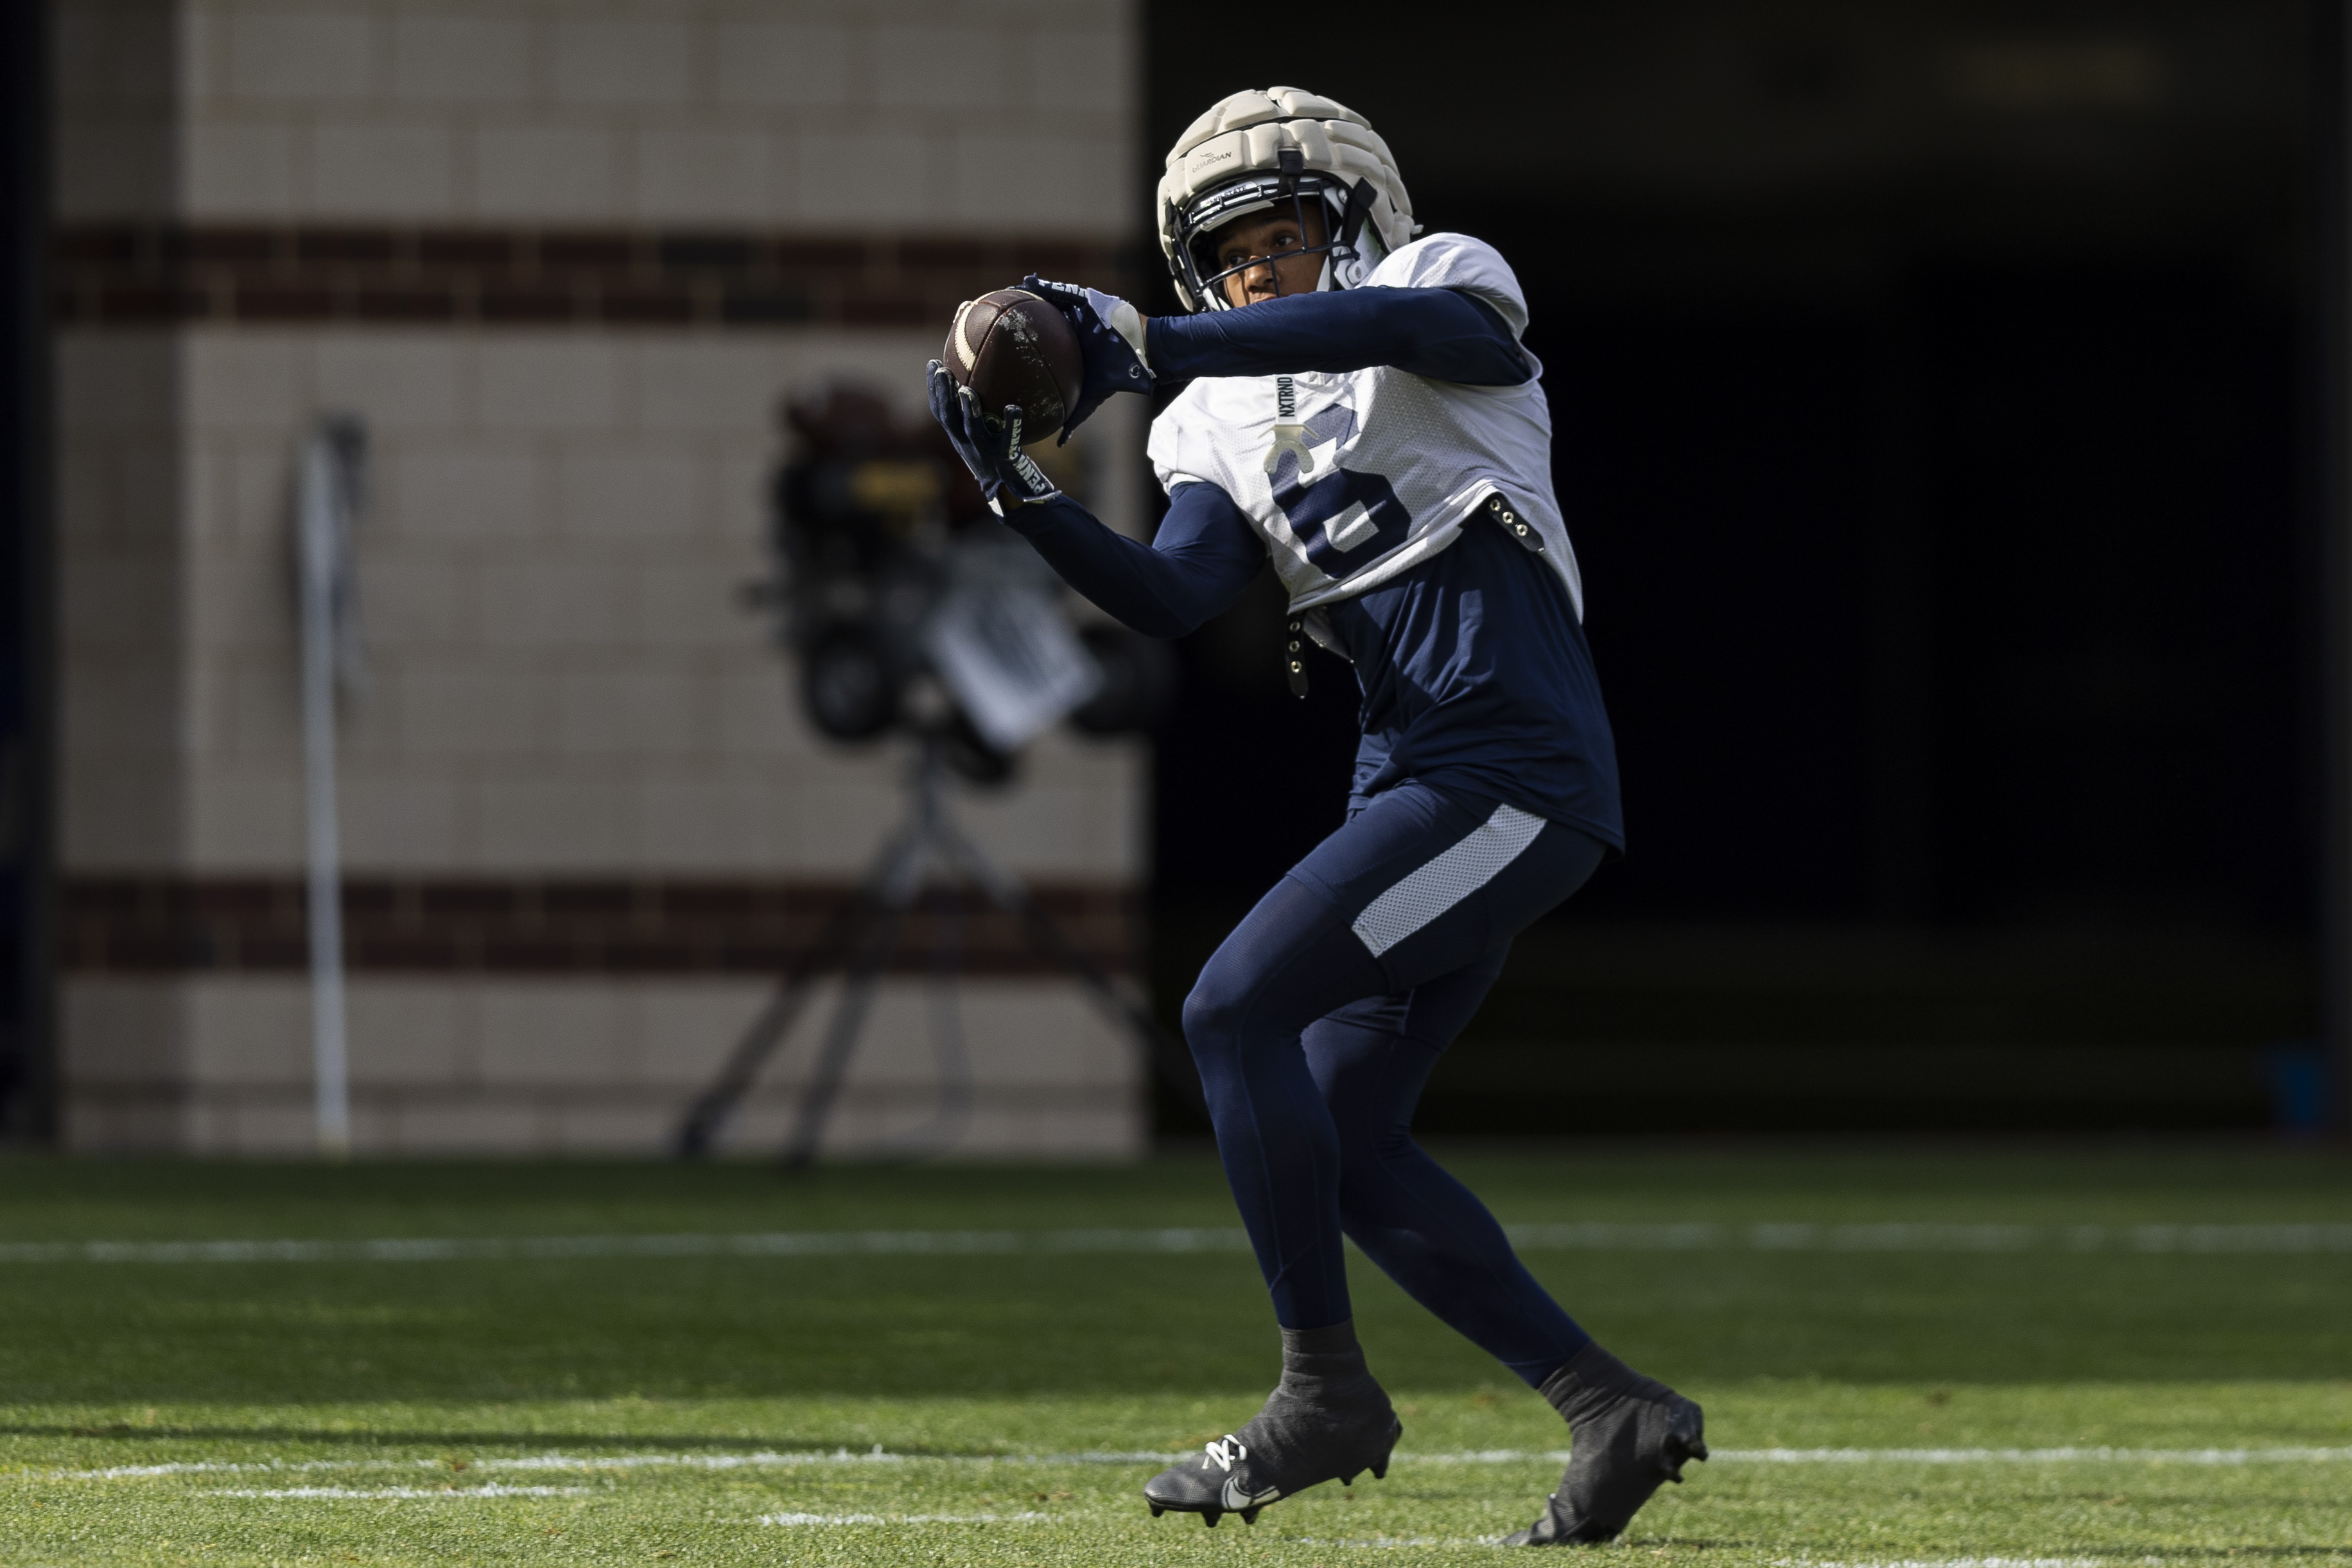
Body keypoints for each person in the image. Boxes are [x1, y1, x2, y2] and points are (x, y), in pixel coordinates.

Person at [927, 85, 1705, 1546]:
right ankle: (1613, 1409)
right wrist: (1015, 491)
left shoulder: (1436, 281)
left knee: (1229, 1012)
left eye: (1277, 239)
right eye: (1223, 260)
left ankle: (1323, 1393)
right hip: (1407, 763)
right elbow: (1171, 597)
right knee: (1344, 1136)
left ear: (1347, 223)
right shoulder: (1208, 413)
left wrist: (1156, 343)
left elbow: (1423, 340)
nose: (1252, 275)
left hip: (1507, 756)